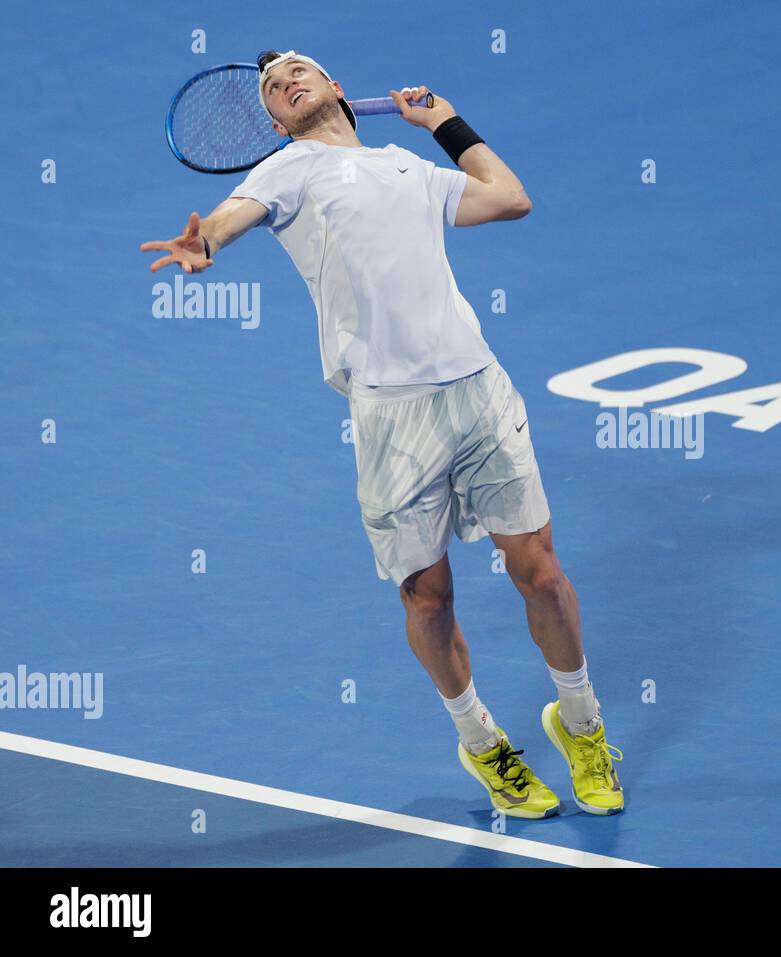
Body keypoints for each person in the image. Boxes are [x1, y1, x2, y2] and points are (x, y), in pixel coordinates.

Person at [139, 50, 623, 818]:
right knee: (429, 599)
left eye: (300, 69)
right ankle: (481, 741)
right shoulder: (287, 170)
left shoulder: (406, 166)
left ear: (334, 87)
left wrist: (445, 124)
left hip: (478, 391)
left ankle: (582, 722)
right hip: (391, 417)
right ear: (274, 122)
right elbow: (233, 216)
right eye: (273, 87)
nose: (286, 80)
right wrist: (208, 243)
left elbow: (510, 198)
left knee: (544, 573)